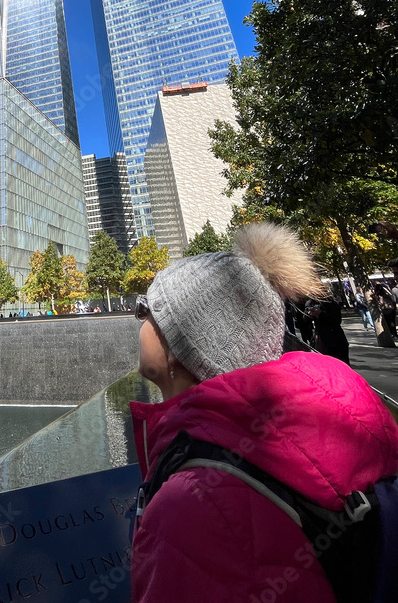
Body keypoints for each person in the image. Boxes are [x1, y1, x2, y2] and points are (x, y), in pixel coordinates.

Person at [131, 223, 398, 603]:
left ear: (178, 345)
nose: (138, 321)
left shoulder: (191, 505)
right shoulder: (348, 418)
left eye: (146, 310)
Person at [305, 298, 350, 363]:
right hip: (321, 340)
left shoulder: (331, 303)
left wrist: (320, 314)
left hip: (336, 339)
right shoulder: (310, 303)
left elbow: (337, 321)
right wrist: (309, 314)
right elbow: (305, 320)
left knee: (342, 363)